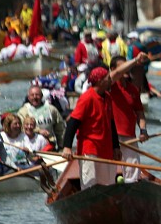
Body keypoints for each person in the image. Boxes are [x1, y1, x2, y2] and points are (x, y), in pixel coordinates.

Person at [60, 56, 148, 188]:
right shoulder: (87, 98)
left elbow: (111, 124)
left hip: (106, 149)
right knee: (90, 185)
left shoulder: (107, 97)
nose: (110, 79)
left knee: (108, 185)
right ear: (100, 81)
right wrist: (67, 147)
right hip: (89, 149)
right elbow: (73, 123)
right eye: (107, 77)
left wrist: (116, 147)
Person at [107, 56, 149, 182]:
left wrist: (143, 131)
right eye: (123, 66)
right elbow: (116, 74)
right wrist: (136, 59)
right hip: (111, 137)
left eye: (128, 66)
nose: (127, 69)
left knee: (133, 175)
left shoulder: (133, 89)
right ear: (113, 69)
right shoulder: (110, 85)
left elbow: (140, 113)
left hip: (130, 137)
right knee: (108, 172)